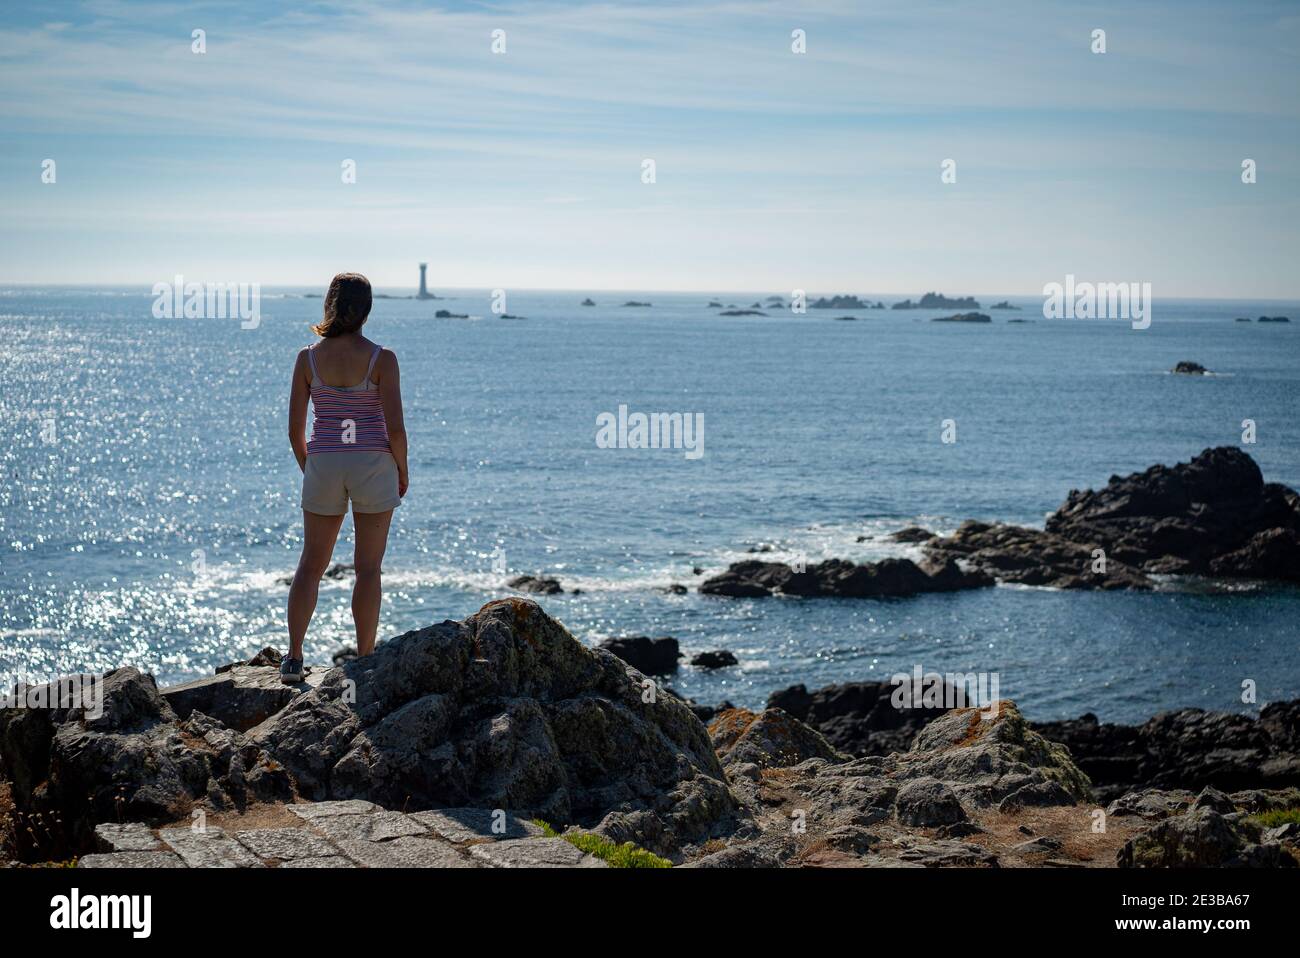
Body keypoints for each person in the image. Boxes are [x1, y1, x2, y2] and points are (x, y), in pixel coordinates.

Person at [283, 273, 407, 682]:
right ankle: (365, 658)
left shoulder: (308, 358)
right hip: (372, 463)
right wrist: (402, 471)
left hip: (324, 462)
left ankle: (294, 658)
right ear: (367, 309)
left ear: (329, 305)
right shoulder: (381, 358)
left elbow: (294, 430)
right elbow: (395, 430)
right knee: (368, 568)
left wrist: (313, 466)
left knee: (311, 565)